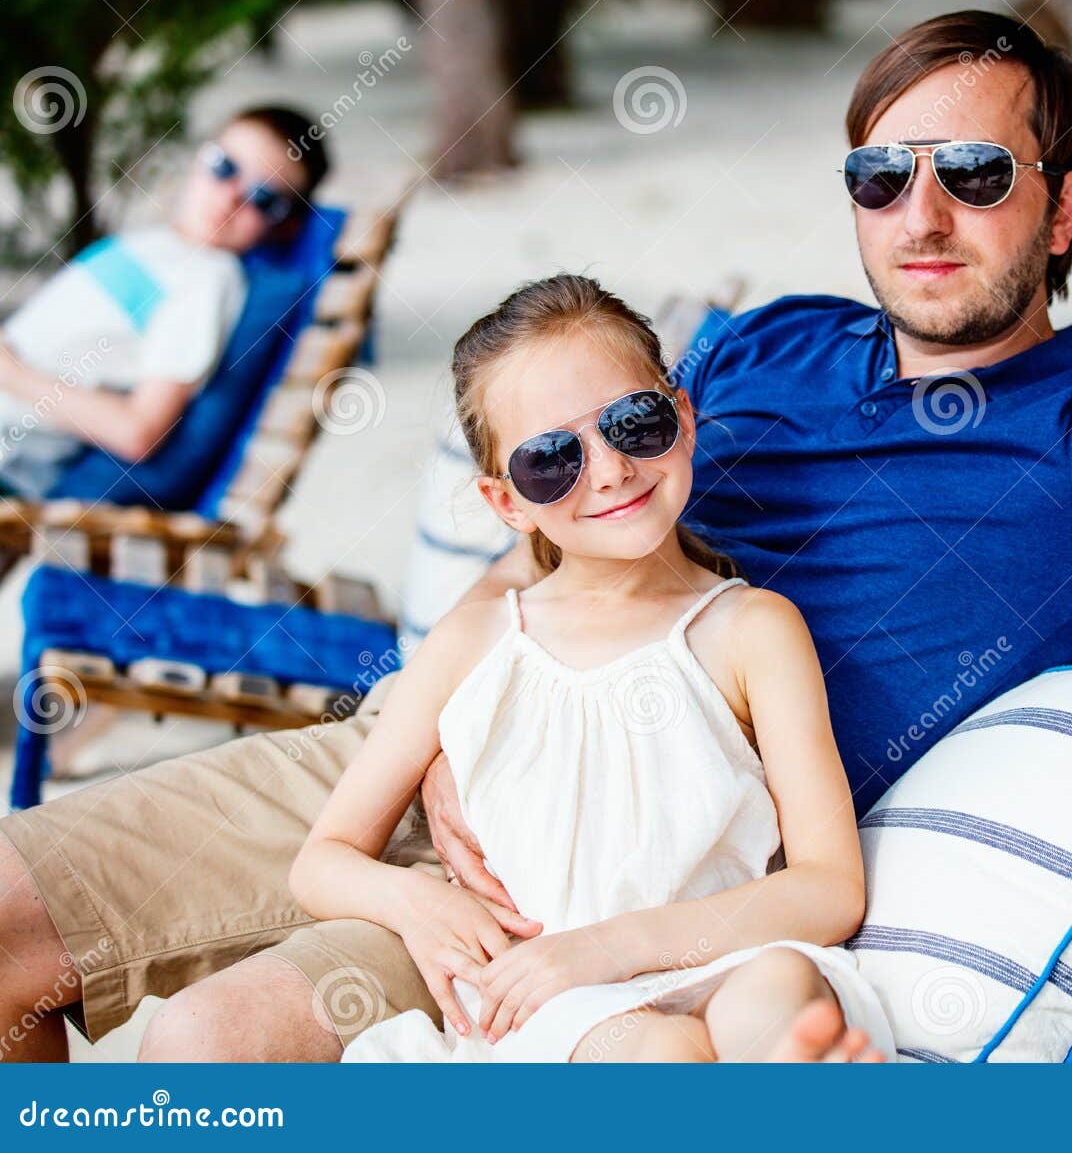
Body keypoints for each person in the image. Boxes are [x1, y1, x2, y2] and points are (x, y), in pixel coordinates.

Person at [0, 11, 1072, 1064]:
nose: (923, 213)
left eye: (975, 172)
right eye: (881, 174)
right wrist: (442, 724)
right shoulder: (770, 346)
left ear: (1067, 202)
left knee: (220, 1055)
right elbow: (566, 511)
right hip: (411, 760)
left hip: (595, 901)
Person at [291, 274, 891, 1062]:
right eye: (551, 460)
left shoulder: (751, 630)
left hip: (719, 950)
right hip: (554, 1002)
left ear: (682, 416)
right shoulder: (473, 642)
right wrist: (414, 899)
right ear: (507, 503)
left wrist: (614, 944)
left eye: (632, 423)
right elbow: (323, 858)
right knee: (658, 1054)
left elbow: (829, 885)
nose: (607, 470)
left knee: (775, 997)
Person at [0, 105, 331, 499]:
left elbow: (138, 431)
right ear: (199, 159)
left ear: (286, 225)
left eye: (263, 198)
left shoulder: (206, 280)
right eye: (224, 167)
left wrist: (11, 373)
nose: (229, 199)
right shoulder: (164, 246)